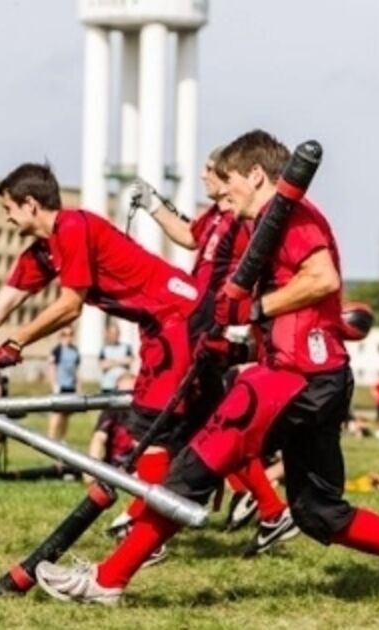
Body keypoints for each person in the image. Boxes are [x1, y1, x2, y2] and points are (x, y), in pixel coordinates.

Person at [35, 129, 379, 610]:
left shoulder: (293, 216)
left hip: (296, 376)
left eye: (227, 181)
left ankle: (108, 580)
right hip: (315, 375)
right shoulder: (258, 223)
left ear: (255, 175)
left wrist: (252, 310)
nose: (222, 194)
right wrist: (238, 342)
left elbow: (322, 279)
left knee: (193, 466)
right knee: (320, 514)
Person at [0, 161, 204, 567]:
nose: (7, 217)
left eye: (9, 208)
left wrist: (18, 340)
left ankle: (151, 533)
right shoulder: (41, 252)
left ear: (30, 204)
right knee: (178, 425)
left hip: (182, 317)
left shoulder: (73, 227)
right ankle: (251, 510)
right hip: (158, 326)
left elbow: (70, 306)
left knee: (157, 425)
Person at [133, 146, 296, 555]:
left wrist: (242, 324)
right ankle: (270, 507)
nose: (204, 175)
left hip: (214, 327)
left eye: (211, 169)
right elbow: (188, 236)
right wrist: (153, 206)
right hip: (198, 324)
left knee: (176, 424)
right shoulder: (216, 216)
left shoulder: (245, 219)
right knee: (212, 423)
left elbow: (259, 269)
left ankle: (142, 519)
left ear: (229, 175)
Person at [47, 326, 80, 440]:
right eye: (65, 334)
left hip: (70, 387)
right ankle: (51, 439)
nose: (67, 337)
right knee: (56, 415)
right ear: (60, 336)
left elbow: (76, 370)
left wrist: (78, 386)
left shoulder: (75, 351)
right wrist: (54, 384)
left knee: (66, 416)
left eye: (70, 334)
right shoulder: (57, 350)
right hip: (59, 387)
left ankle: (62, 439)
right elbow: (52, 368)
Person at [97, 323, 133, 394]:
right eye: (111, 333)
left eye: (116, 333)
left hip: (123, 385)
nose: (114, 335)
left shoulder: (126, 347)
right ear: (108, 334)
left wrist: (111, 361)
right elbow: (102, 365)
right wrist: (121, 361)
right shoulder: (104, 349)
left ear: (119, 334)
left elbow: (129, 360)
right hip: (107, 385)